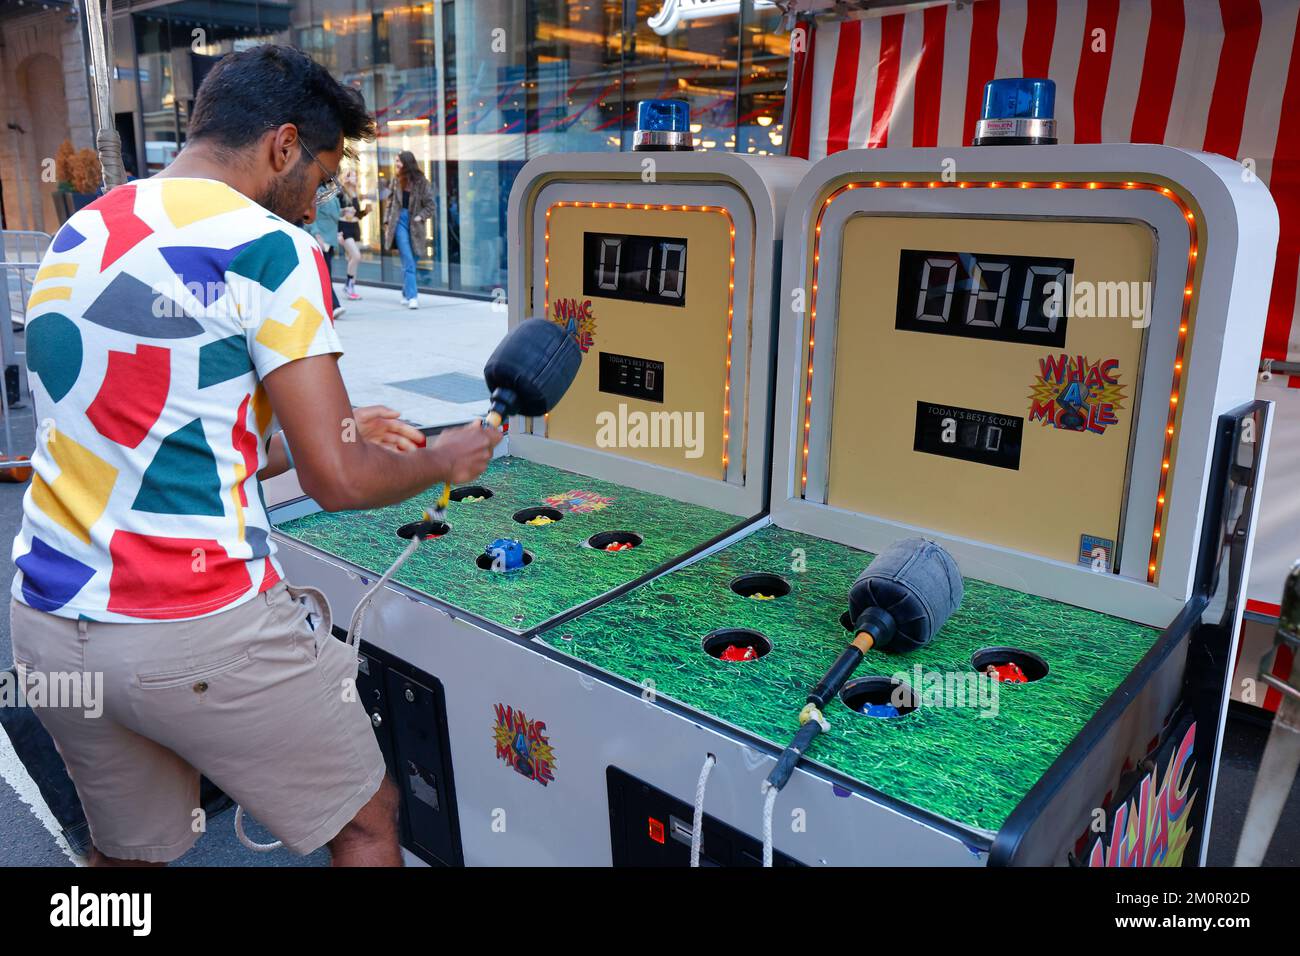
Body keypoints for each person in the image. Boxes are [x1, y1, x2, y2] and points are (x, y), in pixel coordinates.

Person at [10, 44, 501, 867]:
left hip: (52, 626)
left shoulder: (81, 229)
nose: (318, 201)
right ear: (282, 146)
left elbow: (153, 438)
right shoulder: (270, 249)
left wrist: (326, 432)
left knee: (129, 856)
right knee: (369, 816)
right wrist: (445, 458)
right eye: (323, 174)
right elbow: (338, 481)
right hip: (195, 630)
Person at [382, 150, 434, 310]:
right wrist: (386, 223)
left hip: (415, 224)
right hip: (398, 222)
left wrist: (420, 217)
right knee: (408, 260)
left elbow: (431, 205)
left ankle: (405, 292)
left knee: (415, 257)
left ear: (406, 163)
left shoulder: (422, 182)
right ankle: (413, 297)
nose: (396, 164)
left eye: (398, 161)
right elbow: (390, 203)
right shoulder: (396, 181)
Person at [306, 191, 345, 319]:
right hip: (322, 239)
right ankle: (334, 305)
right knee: (325, 274)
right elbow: (311, 215)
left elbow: (335, 216)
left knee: (323, 274)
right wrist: (317, 235)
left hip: (331, 239)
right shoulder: (318, 191)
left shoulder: (331, 192)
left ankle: (320, 305)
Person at [338, 168, 368, 300]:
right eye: (353, 176)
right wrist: (344, 210)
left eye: (356, 176)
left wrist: (365, 212)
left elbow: (356, 214)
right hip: (344, 228)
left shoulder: (355, 193)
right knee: (357, 256)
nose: (355, 179)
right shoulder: (340, 192)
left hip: (355, 227)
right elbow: (335, 211)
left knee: (352, 259)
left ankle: (351, 288)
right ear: (346, 178)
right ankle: (348, 285)